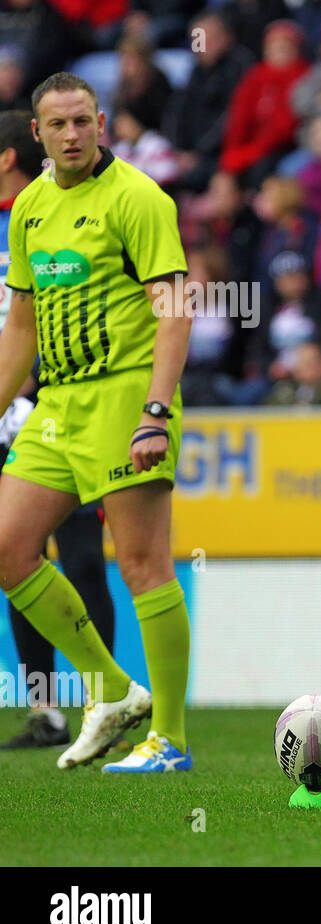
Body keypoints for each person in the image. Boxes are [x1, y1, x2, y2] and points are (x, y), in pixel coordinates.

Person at [0, 72, 193, 772]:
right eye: (59, 125)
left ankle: (169, 739)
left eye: (84, 121)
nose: (74, 135)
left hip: (126, 394)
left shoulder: (139, 199)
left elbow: (174, 312)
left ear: (102, 121)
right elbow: (20, 323)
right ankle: (110, 690)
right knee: (7, 546)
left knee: (143, 566)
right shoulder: (29, 208)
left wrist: (153, 413)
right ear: (37, 133)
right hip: (57, 404)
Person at [0, 108, 117, 750]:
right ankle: (47, 711)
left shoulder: (72, 214)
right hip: (20, 410)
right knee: (18, 554)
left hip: (69, 403)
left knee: (80, 558)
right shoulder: (24, 221)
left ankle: (105, 701)